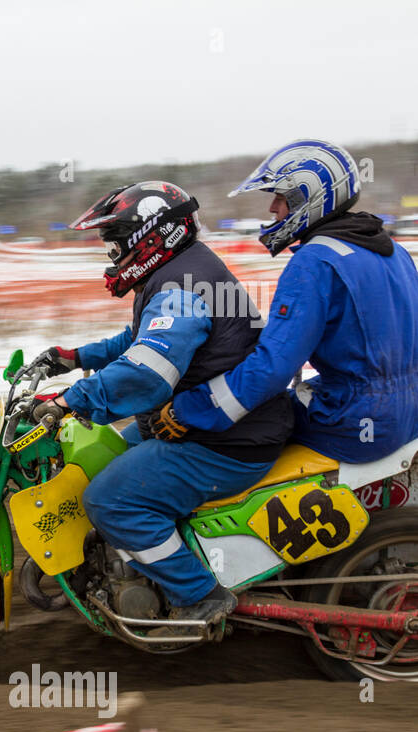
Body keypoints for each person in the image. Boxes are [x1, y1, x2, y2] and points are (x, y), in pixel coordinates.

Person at [32, 181, 293, 627]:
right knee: (103, 455)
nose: (112, 257)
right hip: (214, 421)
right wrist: (75, 358)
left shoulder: (181, 287)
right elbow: (139, 341)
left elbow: (147, 372)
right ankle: (129, 561)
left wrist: (74, 400)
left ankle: (199, 595)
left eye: (116, 245)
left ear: (150, 238)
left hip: (226, 439)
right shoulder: (184, 270)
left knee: (110, 500)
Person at [153, 139, 418, 465]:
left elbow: (272, 367)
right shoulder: (392, 250)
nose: (272, 208)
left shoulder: (315, 262)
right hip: (408, 415)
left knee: (245, 427)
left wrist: (190, 409)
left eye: (281, 196)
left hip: (355, 426)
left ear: (308, 198)